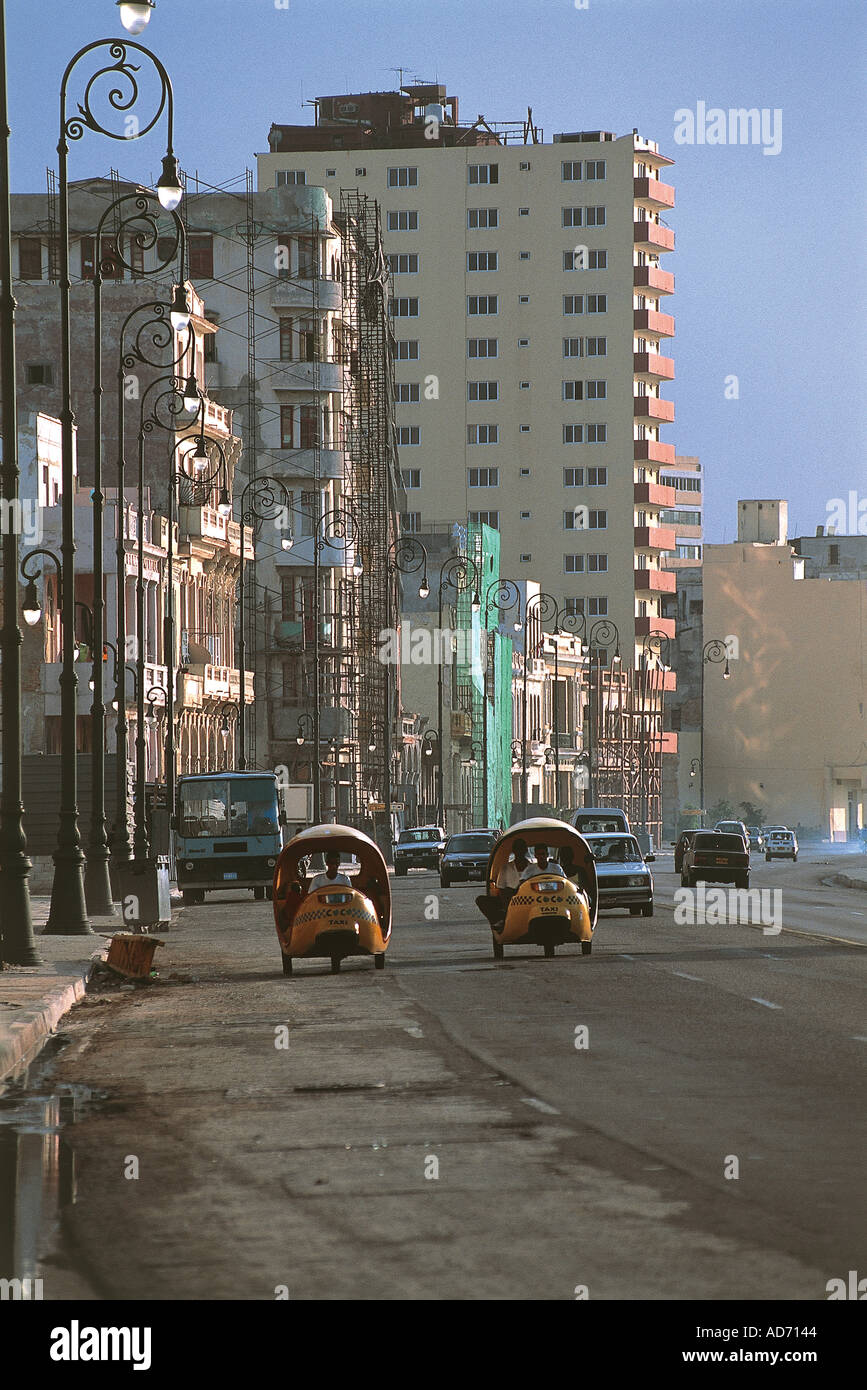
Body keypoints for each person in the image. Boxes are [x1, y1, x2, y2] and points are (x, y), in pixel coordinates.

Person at [476, 838, 530, 928]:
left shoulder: (532, 868)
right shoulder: (506, 868)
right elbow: (501, 889)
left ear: (525, 850)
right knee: (481, 900)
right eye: (517, 849)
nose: (519, 852)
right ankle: (501, 918)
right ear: (514, 851)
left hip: (528, 899)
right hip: (509, 899)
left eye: (521, 849)